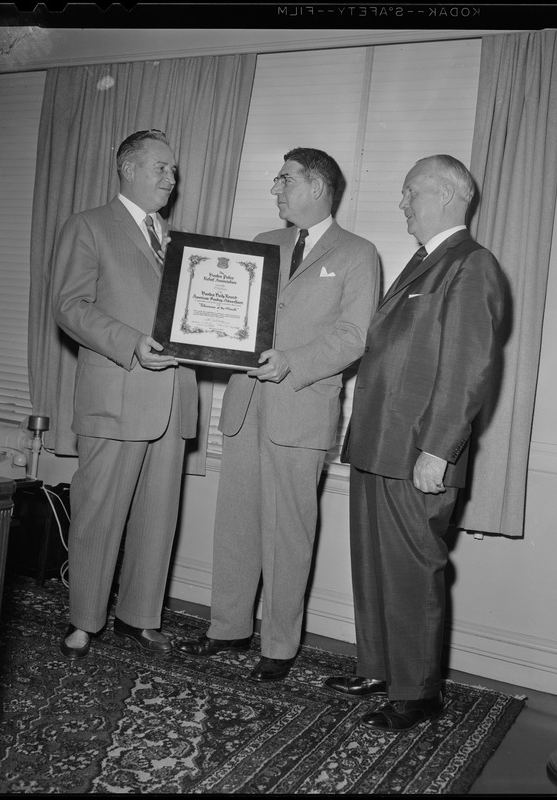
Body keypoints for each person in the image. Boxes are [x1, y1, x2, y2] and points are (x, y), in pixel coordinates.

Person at [176, 147, 380, 681]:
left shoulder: (358, 253)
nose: (276, 189)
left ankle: (280, 646)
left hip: (301, 407)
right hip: (245, 404)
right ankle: (228, 628)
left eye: (285, 179)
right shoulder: (264, 244)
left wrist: (291, 362)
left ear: (318, 185)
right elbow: (230, 314)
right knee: (236, 525)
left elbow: (353, 337)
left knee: (289, 532)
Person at [325, 155, 507, 731]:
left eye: (411, 192)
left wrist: (439, 448)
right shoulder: (423, 262)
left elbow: (468, 366)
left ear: (450, 196)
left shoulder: (471, 265)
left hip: (418, 452)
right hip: (379, 444)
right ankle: (379, 667)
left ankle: (419, 691)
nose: (402, 202)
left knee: (411, 569)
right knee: (374, 565)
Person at [52, 130, 198, 660]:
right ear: (127, 168)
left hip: (172, 398)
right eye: (161, 167)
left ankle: (140, 617)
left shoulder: (180, 243)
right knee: (99, 513)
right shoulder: (89, 226)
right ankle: (83, 620)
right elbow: (70, 306)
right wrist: (130, 343)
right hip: (115, 394)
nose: (171, 178)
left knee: (158, 518)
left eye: (173, 170)